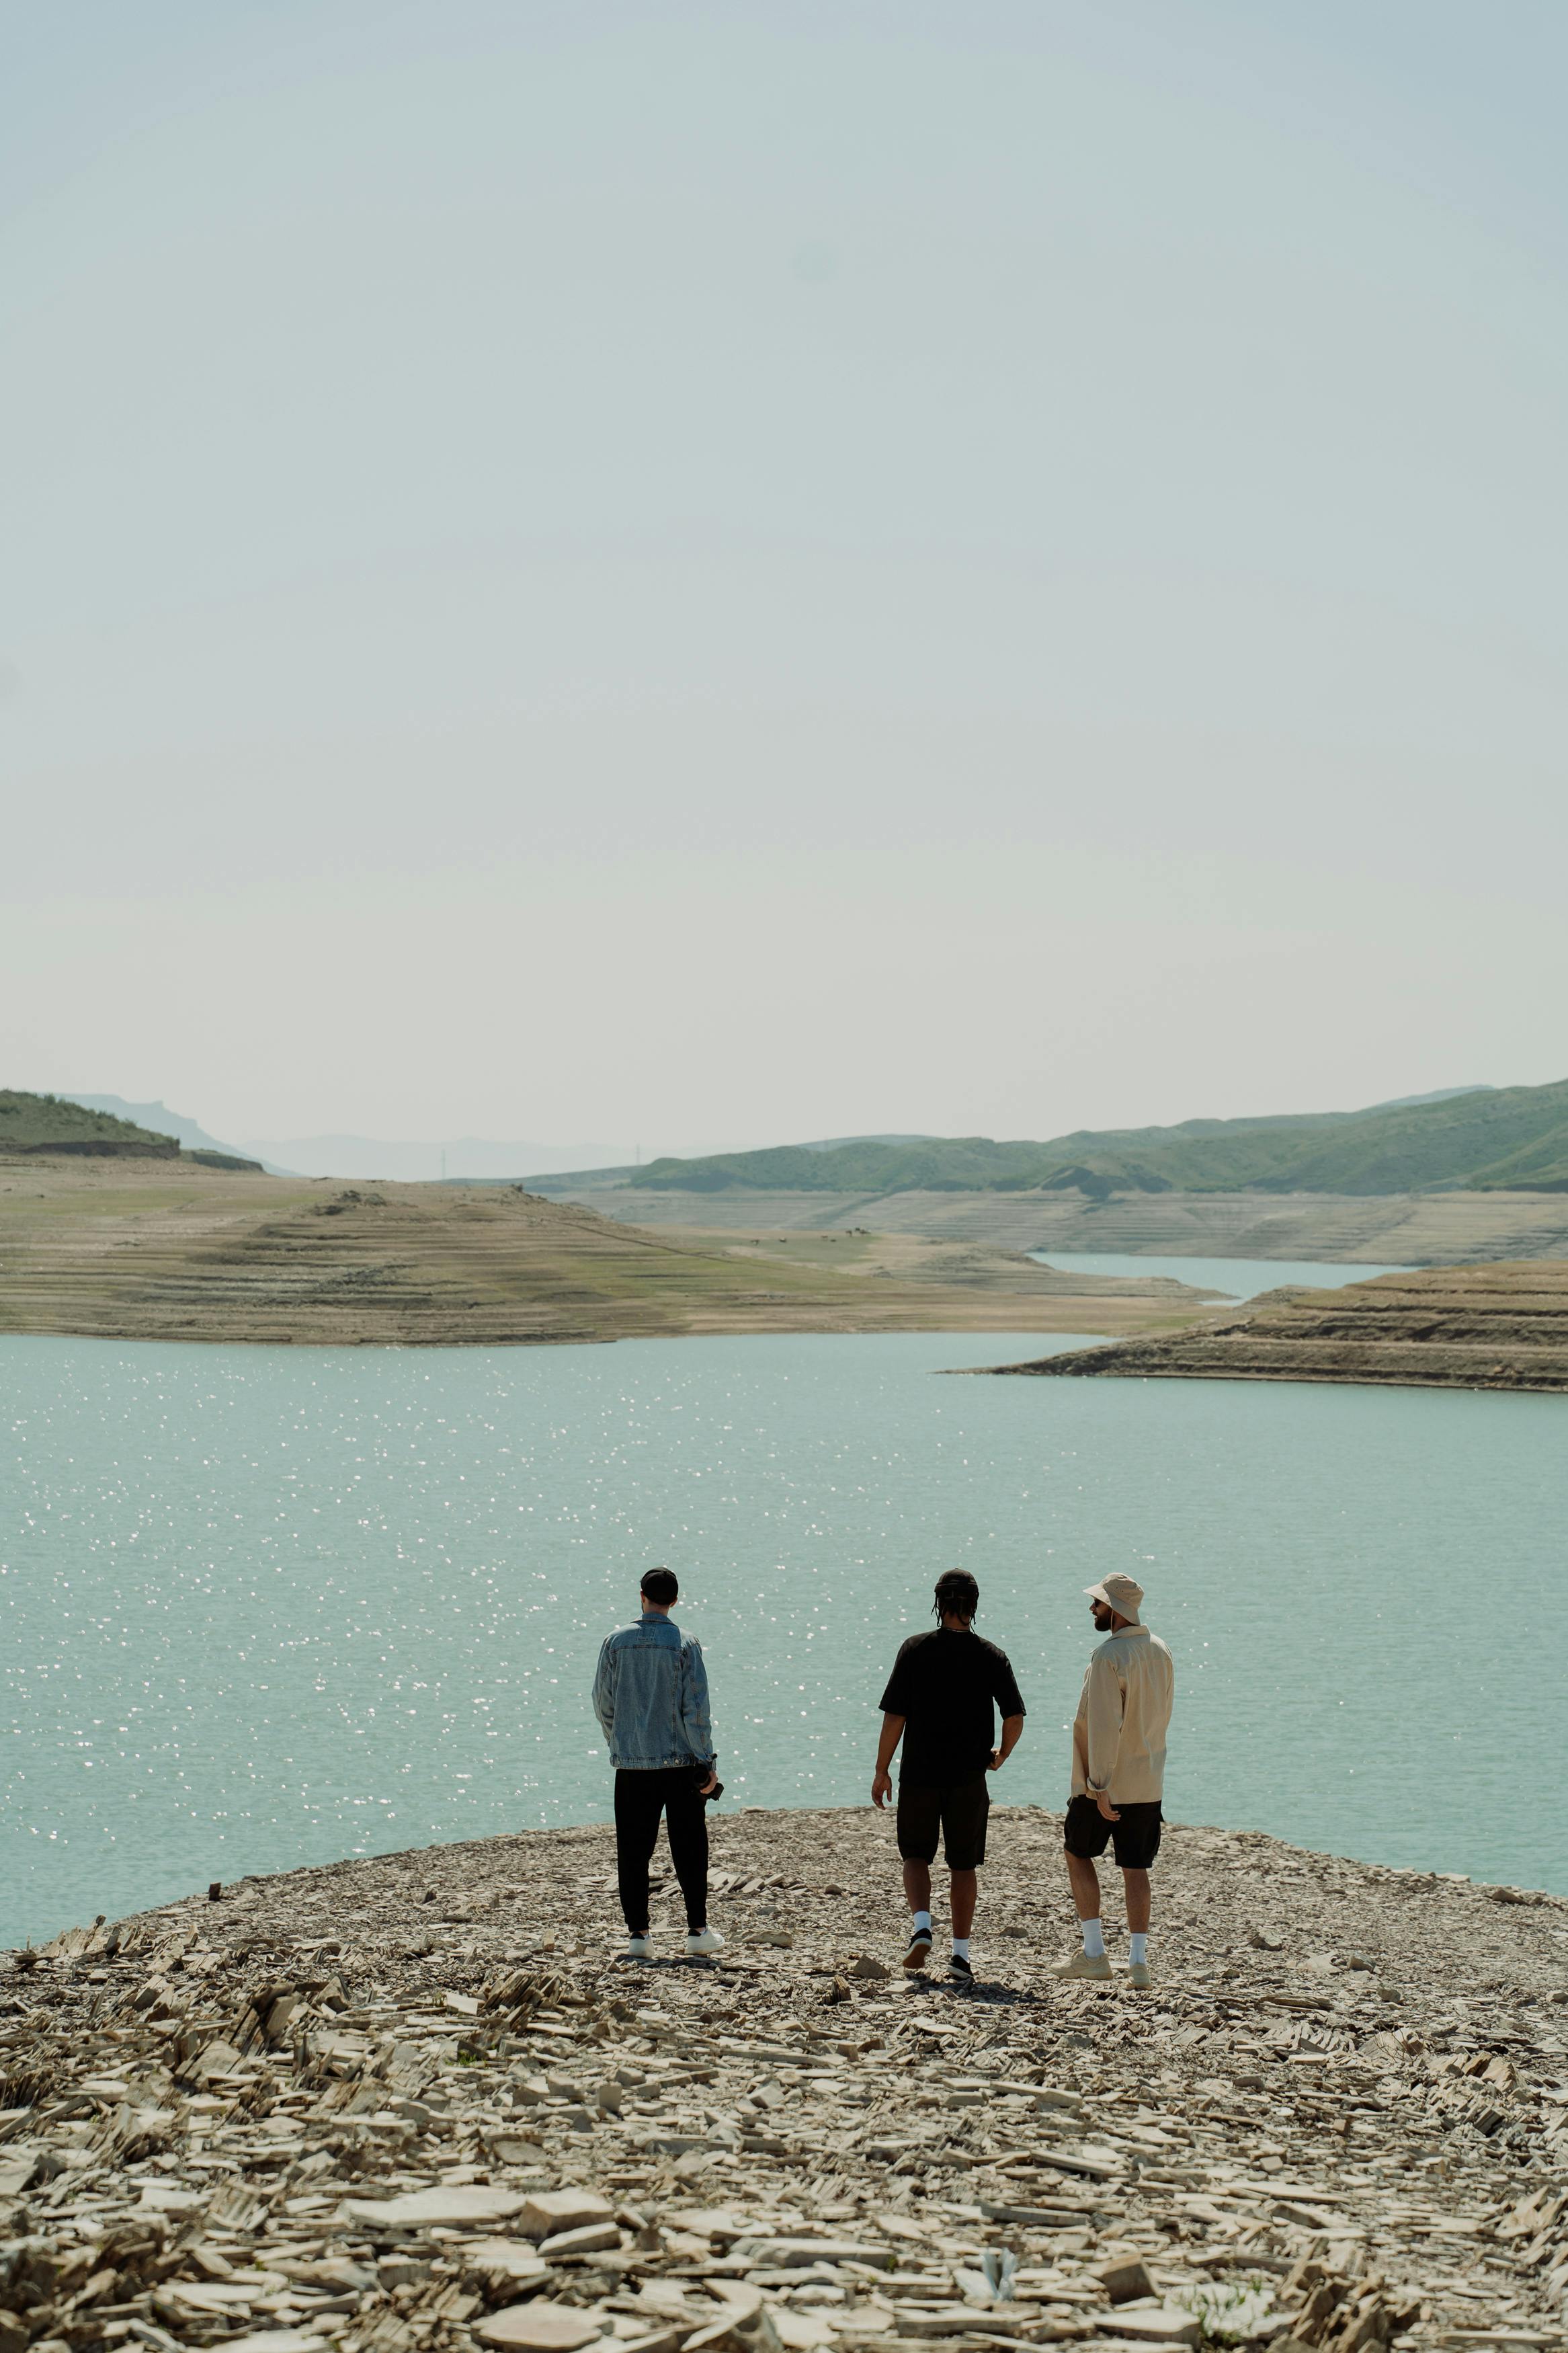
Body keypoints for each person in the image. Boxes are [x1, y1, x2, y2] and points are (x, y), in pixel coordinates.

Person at [872, 1569, 1026, 1981]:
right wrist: (1001, 1756)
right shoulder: (992, 1656)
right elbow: (1014, 1715)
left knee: (915, 1856)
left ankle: (922, 1925)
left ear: (939, 1603)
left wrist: (881, 1769)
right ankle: (960, 1957)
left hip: (920, 1773)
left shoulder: (915, 1649)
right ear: (974, 1606)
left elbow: (895, 1716)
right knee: (963, 1865)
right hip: (969, 1779)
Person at [591, 1566, 724, 1962]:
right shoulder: (686, 1643)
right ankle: (697, 1930)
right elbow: (695, 1709)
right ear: (676, 1600)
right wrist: (707, 1760)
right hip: (682, 1765)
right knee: (689, 1848)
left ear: (641, 1595)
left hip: (632, 1767)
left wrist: (621, 1741)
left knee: (633, 1851)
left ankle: (639, 1937)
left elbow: (603, 1703)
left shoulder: (615, 1642)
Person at [1056, 1572, 1173, 1989]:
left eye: (1099, 1603)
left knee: (1076, 1852)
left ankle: (1094, 1954)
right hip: (1148, 1779)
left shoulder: (1108, 1656)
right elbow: (1161, 1715)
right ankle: (1138, 1963)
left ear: (1115, 1609)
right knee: (1136, 1866)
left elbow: (1104, 1725)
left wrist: (1099, 1784)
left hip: (1106, 1783)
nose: (1093, 1608)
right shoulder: (1161, 1651)